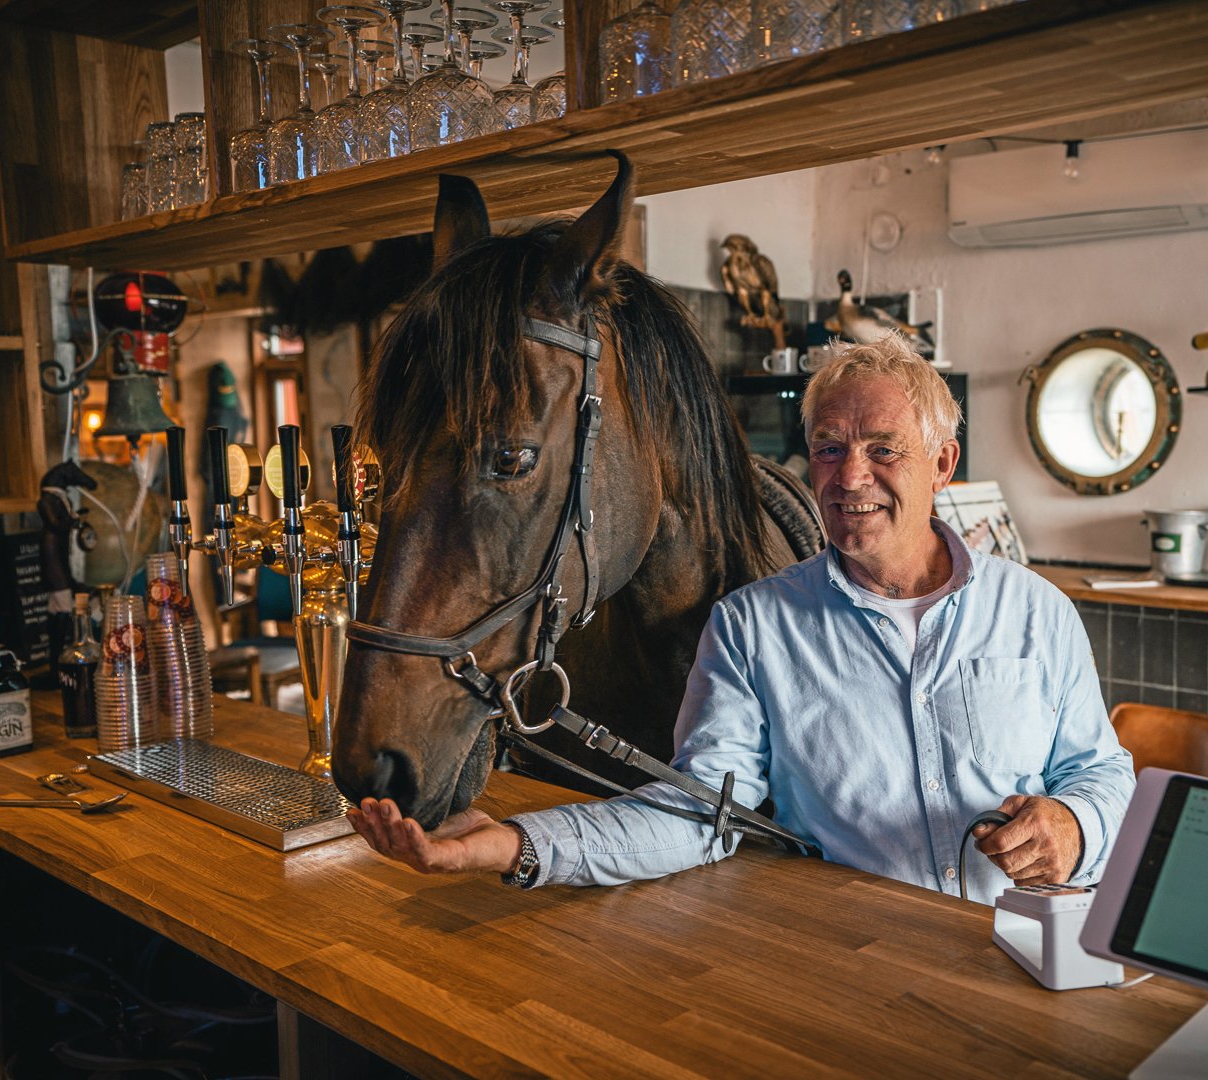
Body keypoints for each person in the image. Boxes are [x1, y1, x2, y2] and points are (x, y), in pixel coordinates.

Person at [349, 334, 1134, 903]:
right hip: (855, 964)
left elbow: (1101, 772)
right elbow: (697, 816)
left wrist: (1073, 824)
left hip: (1026, 945)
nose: (849, 474)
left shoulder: (1037, 612)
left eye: (882, 448)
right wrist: (519, 847)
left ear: (943, 463)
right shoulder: (754, 629)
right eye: (827, 449)